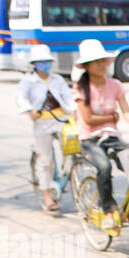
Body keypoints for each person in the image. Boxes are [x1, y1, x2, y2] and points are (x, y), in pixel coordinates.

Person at [72, 38, 129, 231]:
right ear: (87, 66)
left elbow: (127, 113)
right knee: (104, 167)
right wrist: (111, 116)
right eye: (97, 62)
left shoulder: (114, 84)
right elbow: (87, 119)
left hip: (111, 136)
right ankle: (108, 211)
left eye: (103, 61)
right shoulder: (81, 88)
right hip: (90, 139)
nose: (102, 65)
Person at [15, 44, 77, 213]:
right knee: (46, 161)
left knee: (72, 152)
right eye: (41, 62)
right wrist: (30, 110)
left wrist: (74, 111)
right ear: (35, 64)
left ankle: (67, 180)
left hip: (61, 120)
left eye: (47, 62)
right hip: (42, 123)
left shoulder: (57, 79)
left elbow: (68, 97)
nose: (45, 65)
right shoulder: (28, 81)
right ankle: (48, 197)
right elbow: (21, 97)